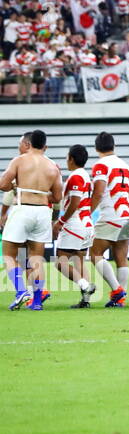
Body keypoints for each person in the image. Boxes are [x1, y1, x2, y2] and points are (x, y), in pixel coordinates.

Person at [0, 129, 61, 310]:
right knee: (36, 258)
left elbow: (3, 184)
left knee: (9, 255)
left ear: (29, 143)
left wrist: (18, 186)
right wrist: (40, 194)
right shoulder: (52, 166)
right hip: (43, 212)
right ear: (45, 146)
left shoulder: (19, 160)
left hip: (23, 208)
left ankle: (21, 291)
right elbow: (57, 197)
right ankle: (36, 302)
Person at [88, 131, 129, 307]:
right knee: (121, 256)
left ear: (96, 148)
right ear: (114, 146)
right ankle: (121, 298)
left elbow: (98, 192)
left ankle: (117, 290)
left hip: (111, 215)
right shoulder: (125, 165)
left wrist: (87, 211)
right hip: (127, 213)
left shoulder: (100, 165)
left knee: (94, 253)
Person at [54, 144, 96, 307]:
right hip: (86, 224)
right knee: (79, 261)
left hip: (74, 225)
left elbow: (75, 202)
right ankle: (85, 300)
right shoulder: (85, 175)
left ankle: (86, 285)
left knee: (60, 262)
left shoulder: (76, 176)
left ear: (71, 158)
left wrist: (60, 222)